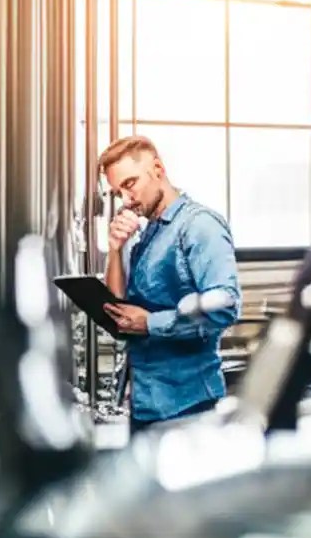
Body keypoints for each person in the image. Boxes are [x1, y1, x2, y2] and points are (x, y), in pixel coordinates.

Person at [97, 135, 241, 434]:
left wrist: (151, 323)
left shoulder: (199, 226)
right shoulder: (149, 235)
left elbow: (226, 304)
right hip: (146, 403)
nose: (126, 199)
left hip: (189, 407)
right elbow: (118, 309)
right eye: (118, 192)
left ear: (158, 169)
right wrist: (114, 249)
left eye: (130, 184)